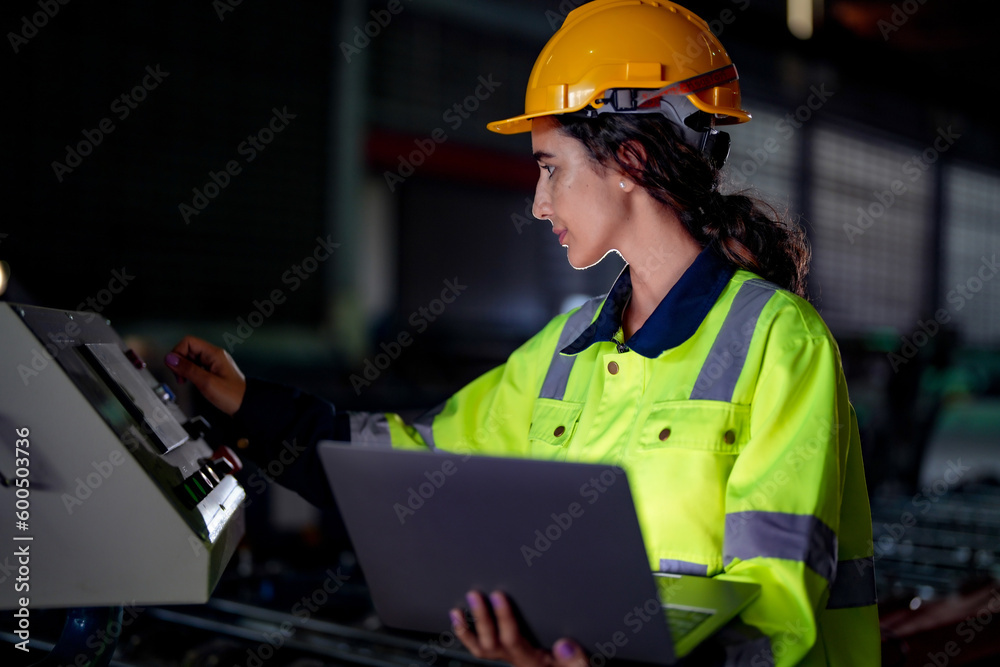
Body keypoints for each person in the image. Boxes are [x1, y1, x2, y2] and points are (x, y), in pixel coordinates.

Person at [166, 1, 880, 665]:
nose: (539, 204)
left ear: (629, 161)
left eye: (551, 168)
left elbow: (779, 617)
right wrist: (248, 404)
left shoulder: (780, 344)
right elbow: (407, 472)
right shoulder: (565, 352)